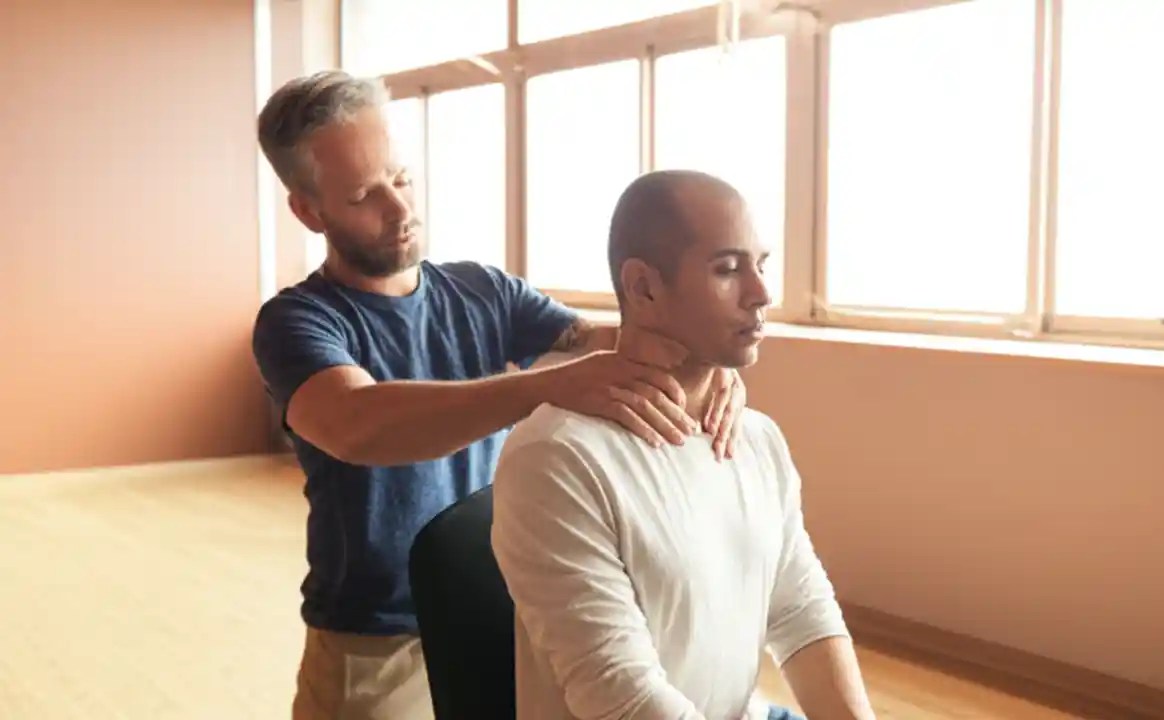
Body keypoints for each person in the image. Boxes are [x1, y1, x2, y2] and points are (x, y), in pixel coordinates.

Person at [251, 71, 748, 719]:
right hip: (376, 643)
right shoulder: (296, 321)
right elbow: (355, 422)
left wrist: (700, 352)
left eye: (402, 179)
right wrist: (544, 385)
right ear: (309, 211)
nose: (399, 209)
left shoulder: (484, 291)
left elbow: (611, 346)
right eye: (365, 195)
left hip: (502, 611)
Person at [491, 170, 877, 720]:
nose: (762, 293)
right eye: (728, 269)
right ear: (644, 288)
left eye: (760, 264)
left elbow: (801, 610)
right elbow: (623, 698)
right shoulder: (555, 458)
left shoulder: (757, 438)